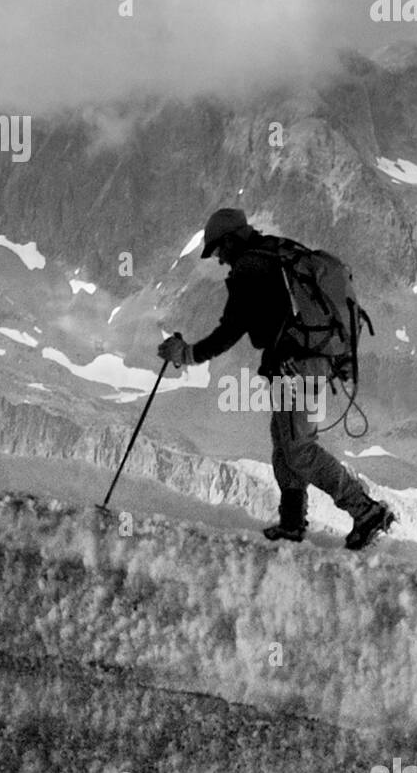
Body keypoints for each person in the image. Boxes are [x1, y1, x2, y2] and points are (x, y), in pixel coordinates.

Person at [157, 207, 395, 551]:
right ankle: (292, 522)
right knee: (285, 440)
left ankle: (365, 510)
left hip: (294, 367)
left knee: (298, 449)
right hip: (310, 363)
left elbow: (230, 330)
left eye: (220, 250)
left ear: (231, 239)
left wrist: (188, 353)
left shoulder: (250, 267)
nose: (221, 260)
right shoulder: (276, 250)